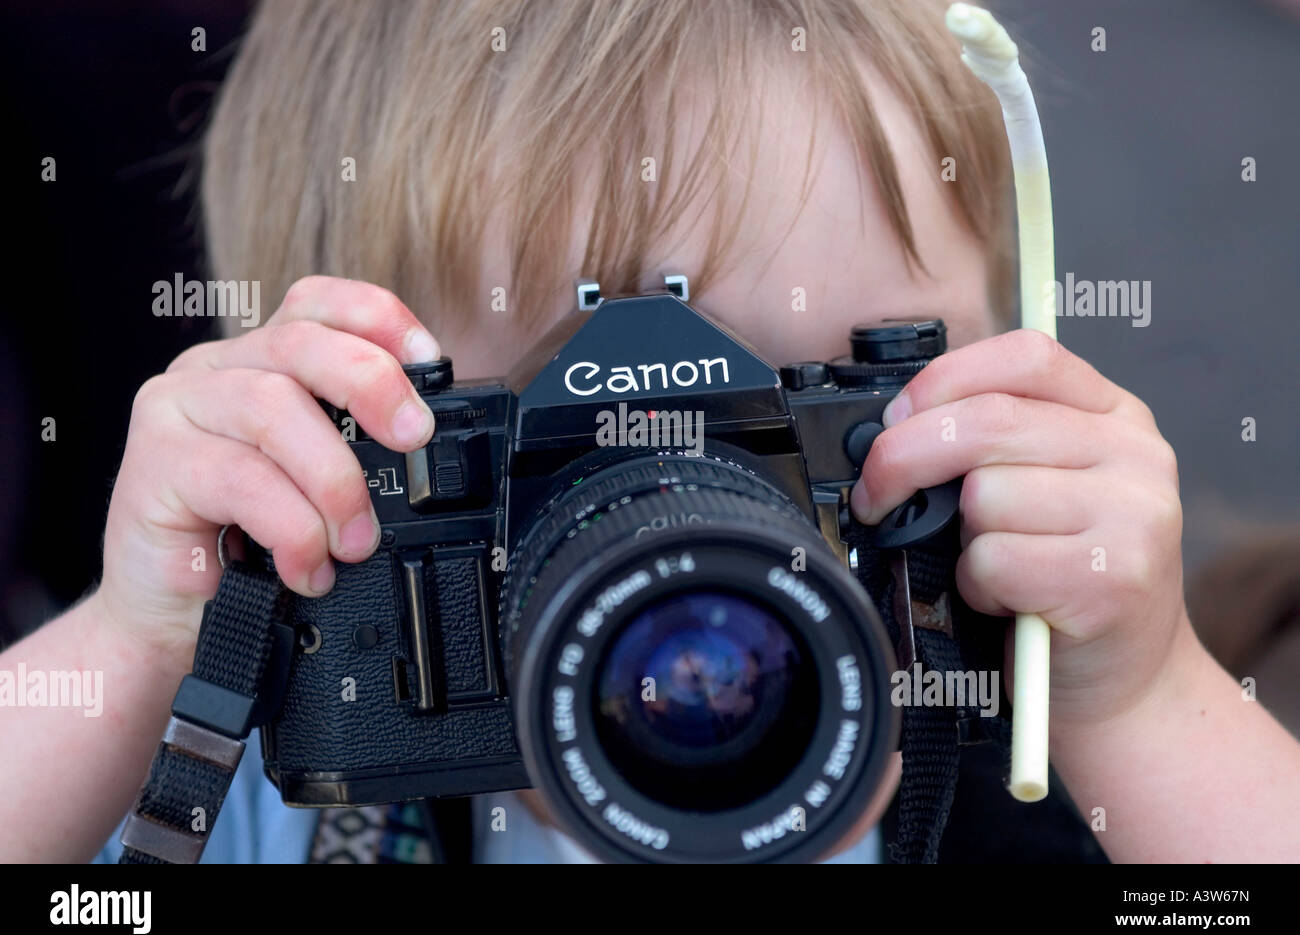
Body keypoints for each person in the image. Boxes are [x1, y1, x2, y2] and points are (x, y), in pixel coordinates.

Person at [3, 0, 1298, 863]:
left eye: (831, 404)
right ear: (329, 449)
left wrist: (1144, 700)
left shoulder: (1028, 741)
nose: (724, 533)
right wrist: (142, 645)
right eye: (572, 441)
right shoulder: (291, 773)